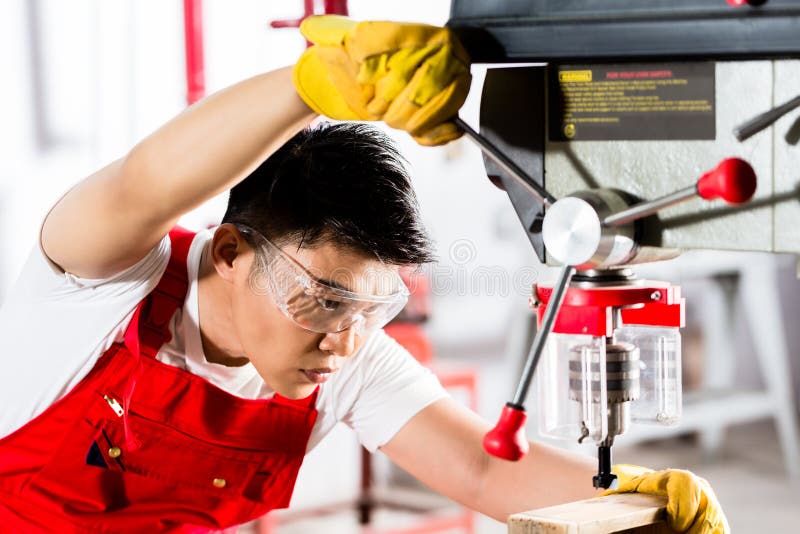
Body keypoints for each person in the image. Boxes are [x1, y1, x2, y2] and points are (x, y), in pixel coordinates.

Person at [0, 15, 728, 534]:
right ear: (228, 252)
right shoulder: (97, 285)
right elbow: (144, 182)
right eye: (323, 300)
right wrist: (310, 88)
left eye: (370, 311)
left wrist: (637, 500)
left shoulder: (342, 351)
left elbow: (482, 473)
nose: (346, 341)